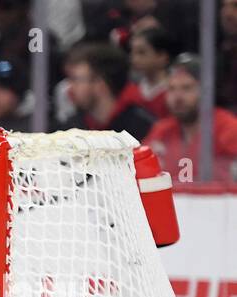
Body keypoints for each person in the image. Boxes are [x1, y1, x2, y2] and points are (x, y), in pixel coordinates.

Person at [145, 54, 237, 185]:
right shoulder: (162, 130)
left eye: (186, 88)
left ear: (205, 92)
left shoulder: (228, 128)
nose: (177, 97)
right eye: (171, 88)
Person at [63, 42, 157, 140]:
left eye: (75, 80)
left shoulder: (142, 128)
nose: (70, 88)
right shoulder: (72, 128)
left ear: (100, 83)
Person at [127, 26, 176, 119]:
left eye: (141, 52)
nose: (134, 59)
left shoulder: (174, 92)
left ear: (162, 56)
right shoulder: (132, 89)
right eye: (132, 52)